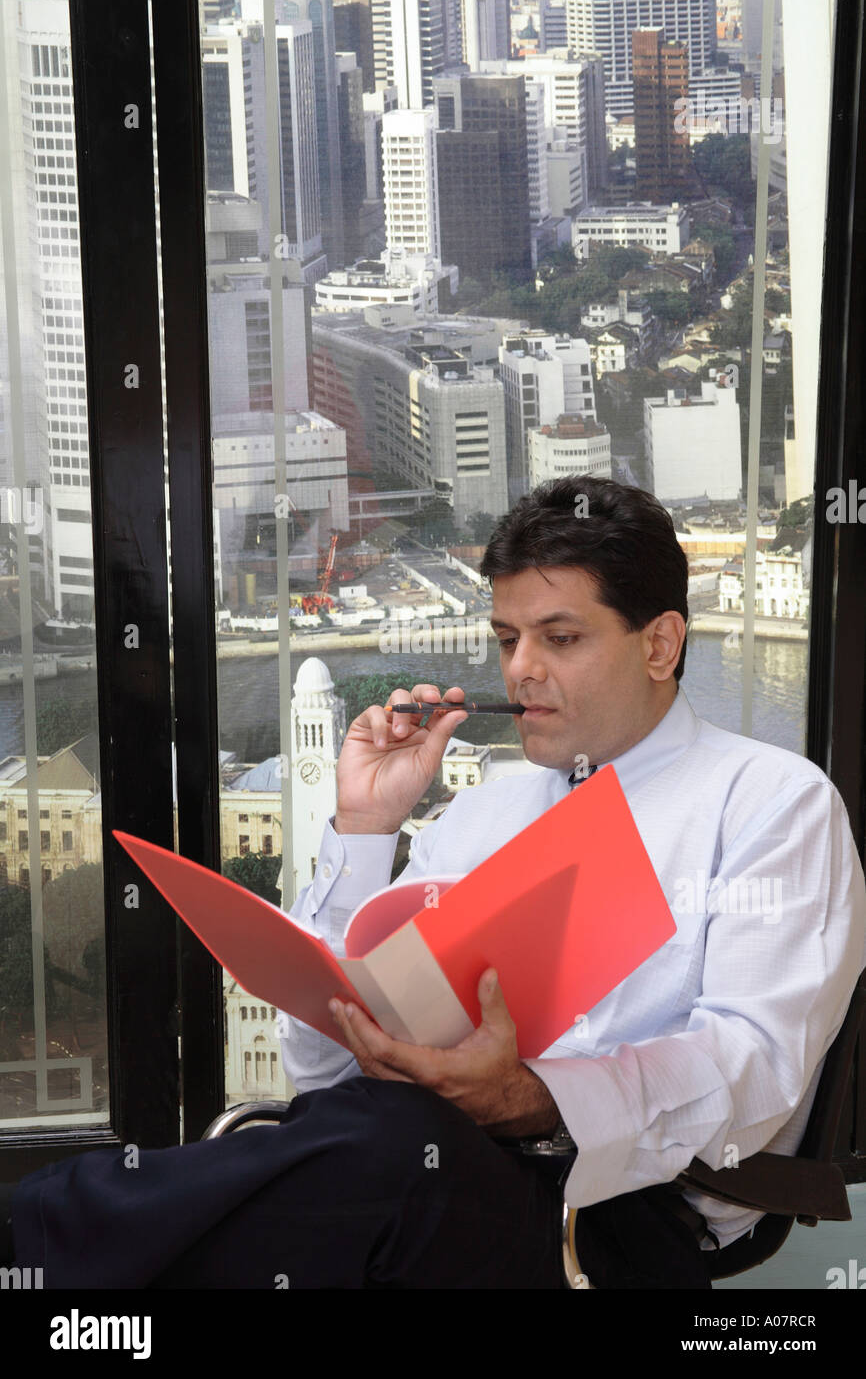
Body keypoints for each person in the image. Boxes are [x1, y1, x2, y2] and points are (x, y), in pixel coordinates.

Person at [5, 475, 866, 1289]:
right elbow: (317, 1071)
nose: (519, 668)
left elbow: (751, 1069)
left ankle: (34, 1247)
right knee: (373, 1143)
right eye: (506, 639)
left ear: (661, 644)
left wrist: (531, 1099)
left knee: (381, 1150)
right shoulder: (481, 816)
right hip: (412, 1168)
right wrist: (366, 830)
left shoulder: (773, 804)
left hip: (615, 1219)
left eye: (559, 638)